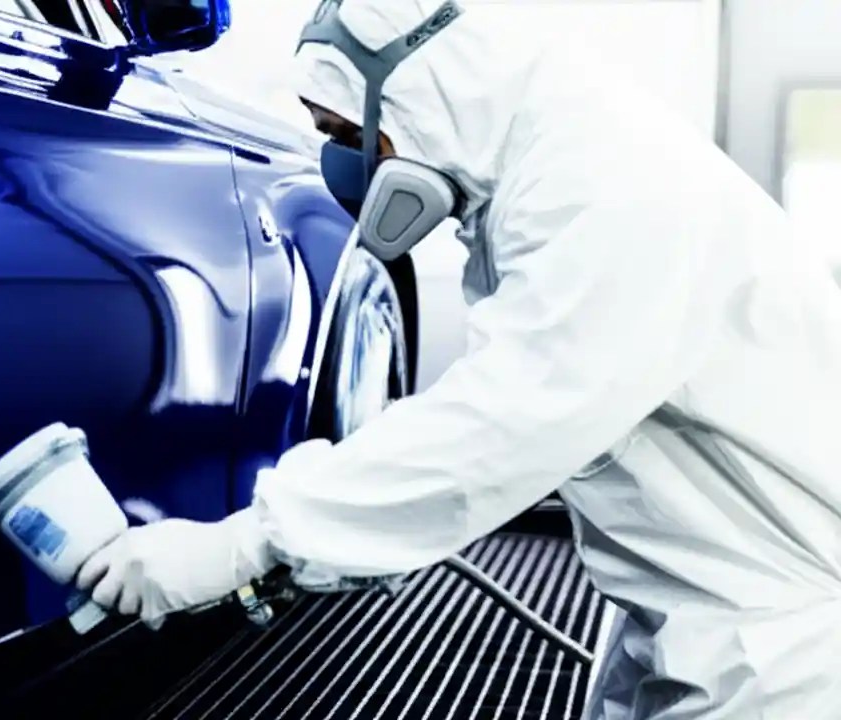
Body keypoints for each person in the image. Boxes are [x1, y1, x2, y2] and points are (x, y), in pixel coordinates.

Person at [75, 0, 841, 717]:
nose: (345, 164)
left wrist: (244, 543)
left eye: (345, 134)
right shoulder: (543, 173)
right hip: (694, 607)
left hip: (776, 648)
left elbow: (505, 423)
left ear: (420, 97)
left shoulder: (605, 193)